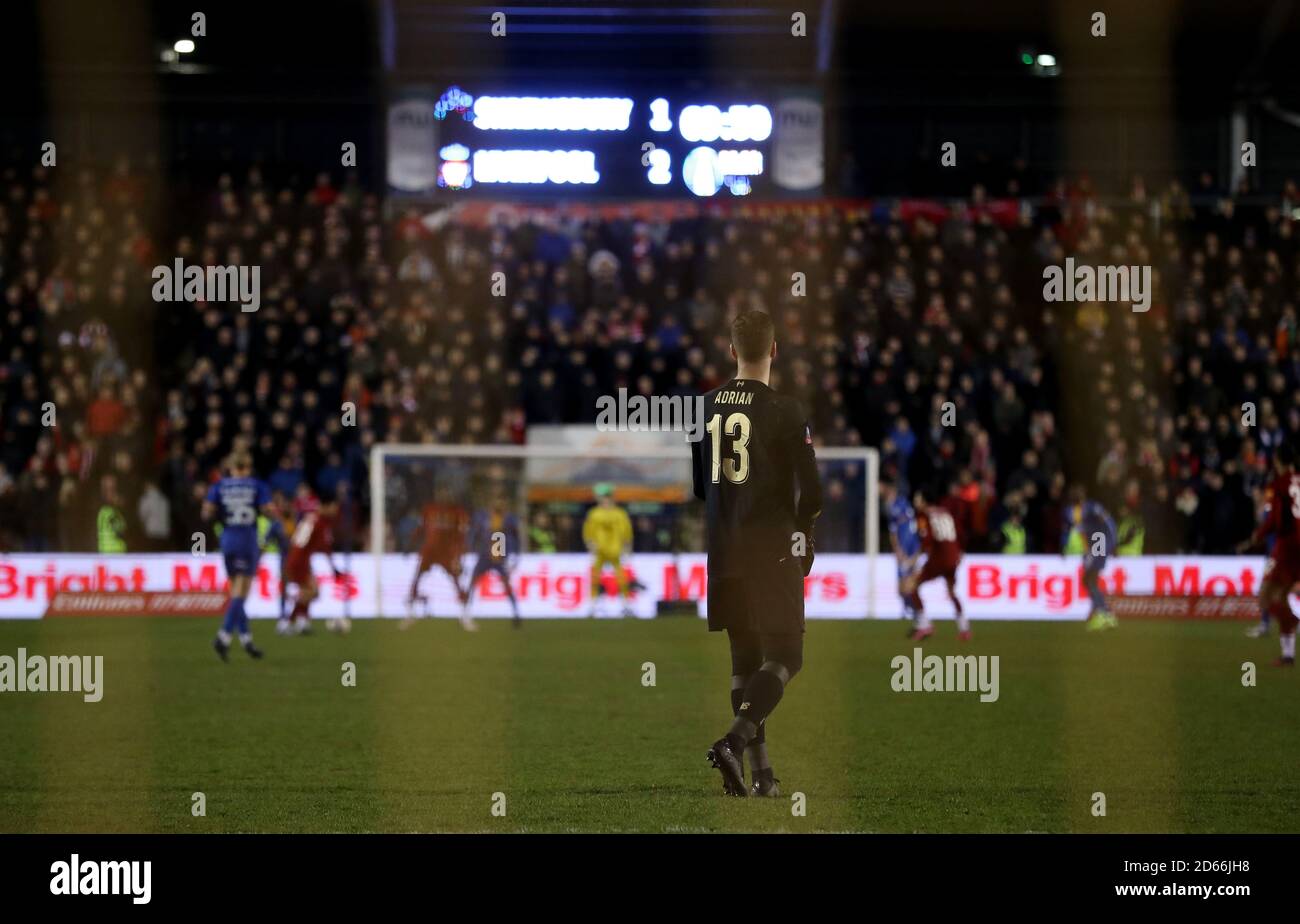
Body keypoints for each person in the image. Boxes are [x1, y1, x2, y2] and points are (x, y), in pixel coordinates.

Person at [691, 309, 822, 798]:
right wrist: (803, 534)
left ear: (731, 351)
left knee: (744, 660)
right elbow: (812, 494)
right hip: (770, 547)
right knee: (787, 653)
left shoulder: (704, 409)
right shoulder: (785, 411)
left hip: (724, 546)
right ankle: (733, 743)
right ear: (773, 350)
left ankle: (762, 775)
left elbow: (703, 488)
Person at [201, 452, 272, 661]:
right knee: (241, 593)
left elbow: (206, 513)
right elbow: (267, 511)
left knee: (235, 592)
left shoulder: (219, 486)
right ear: (248, 467)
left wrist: (221, 514)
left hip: (227, 539)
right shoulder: (257, 486)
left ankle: (246, 641)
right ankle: (223, 636)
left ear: (231, 468)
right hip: (247, 540)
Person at [1240, 445, 1300, 666]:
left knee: (1265, 597)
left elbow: (1275, 520)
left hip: (1286, 548)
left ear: (1277, 461)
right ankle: (1288, 655)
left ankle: (1294, 619)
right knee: (1282, 597)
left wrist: (1258, 535)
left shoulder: (1279, 485)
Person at [902, 487, 971, 641]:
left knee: (910, 585)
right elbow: (960, 532)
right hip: (953, 557)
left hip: (939, 557)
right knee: (952, 592)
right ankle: (964, 628)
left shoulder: (923, 515)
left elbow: (927, 541)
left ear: (924, 501)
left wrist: (915, 559)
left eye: (918, 498)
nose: (915, 501)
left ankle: (924, 624)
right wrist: (960, 552)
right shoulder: (945, 512)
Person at [403, 491, 470, 629]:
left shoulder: (457, 511)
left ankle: (464, 617)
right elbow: (421, 528)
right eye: (441, 493)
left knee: (457, 582)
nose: (444, 496)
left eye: (446, 494)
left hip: (447, 553)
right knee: (416, 579)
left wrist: (460, 555)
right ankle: (409, 615)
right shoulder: (429, 509)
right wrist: (410, 545)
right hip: (430, 552)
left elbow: (461, 535)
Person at [1061, 484, 1118, 631]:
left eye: (1079, 492)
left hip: (1099, 541)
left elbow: (1108, 522)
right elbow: (1067, 529)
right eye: (1074, 492)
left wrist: (1112, 542)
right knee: (1089, 580)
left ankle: (1103, 614)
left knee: (1089, 578)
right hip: (1089, 547)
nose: (1076, 495)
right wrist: (1064, 545)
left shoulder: (1092, 507)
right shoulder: (1068, 511)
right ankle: (1102, 613)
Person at [463, 494, 523, 628]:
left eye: (501, 503)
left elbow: (516, 536)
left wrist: (515, 555)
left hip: (498, 553)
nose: (499, 505)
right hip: (485, 554)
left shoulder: (508, 518)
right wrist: (470, 546)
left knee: (505, 584)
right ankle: (465, 615)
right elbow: (474, 533)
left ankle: (516, 614)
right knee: (473, 582)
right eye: (496, 502)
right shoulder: (483, 517)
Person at [583, 482, 635, 618]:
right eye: (602, 497)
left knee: (622, 578)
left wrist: (627, 546)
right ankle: (592, 606)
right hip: (599, 550)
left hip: (615, 550)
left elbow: (627, 531)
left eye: (606, 497)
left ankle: (626, 605)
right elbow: (588, 531)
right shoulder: (594, 514)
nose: (604, 500)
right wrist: (590, 544)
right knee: (595, 577)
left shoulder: (620, 514)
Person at [880, 480, 923, 631]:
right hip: (903, 552)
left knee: (908, 585)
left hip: (910, 552)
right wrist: (898, 550)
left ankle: (918, 616)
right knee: (901, 588)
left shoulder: (902, 506)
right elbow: (893, 532)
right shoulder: (892, 510)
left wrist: (913, 556)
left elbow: (912, 534)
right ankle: (912, 612)